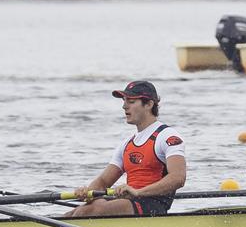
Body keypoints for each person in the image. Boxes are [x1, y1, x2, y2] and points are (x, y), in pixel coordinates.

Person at [69, 80, 187, 218]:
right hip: (130, 201)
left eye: (131, 101)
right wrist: (88, 192)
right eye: (124, 101)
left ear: (149, 104)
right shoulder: (127, 144)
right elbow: (103, 182)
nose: (124, 106)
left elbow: (178, 178)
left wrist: (138, 192)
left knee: (87, 212)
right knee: (73, 213)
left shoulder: (167, 136)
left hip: (152, 204)